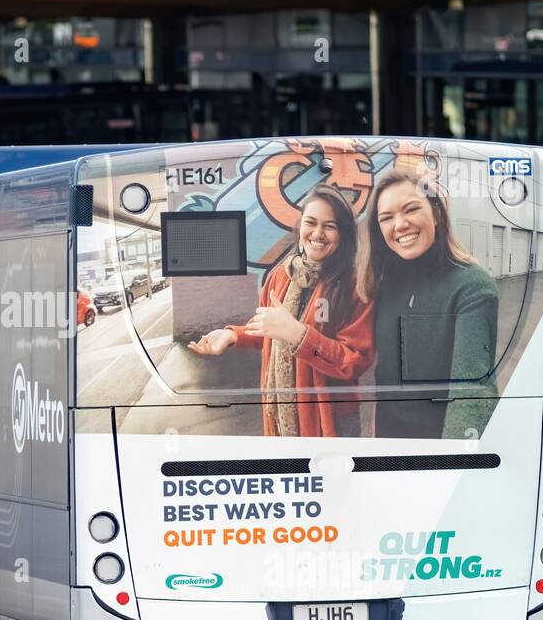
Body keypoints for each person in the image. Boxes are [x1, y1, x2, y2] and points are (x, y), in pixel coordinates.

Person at [188, 183, 374, 437]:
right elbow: (270, 328)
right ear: (300, 228)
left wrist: (298, 335)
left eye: (329, 226)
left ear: (343, 234)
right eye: (311, 222)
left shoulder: (356, 284)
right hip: (280, 415)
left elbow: (354, 361)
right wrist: (232, 336)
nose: (317, 233)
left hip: (332, 421)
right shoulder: (281, 276)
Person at [358, 168, 499, 439]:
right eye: (386, 218)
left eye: (411, 209)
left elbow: (471, 389)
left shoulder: (472, 285)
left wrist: (453, 463)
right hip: (386, 453)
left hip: (438, 453)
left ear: (435, 213)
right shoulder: (384, 283)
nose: (399, 225)